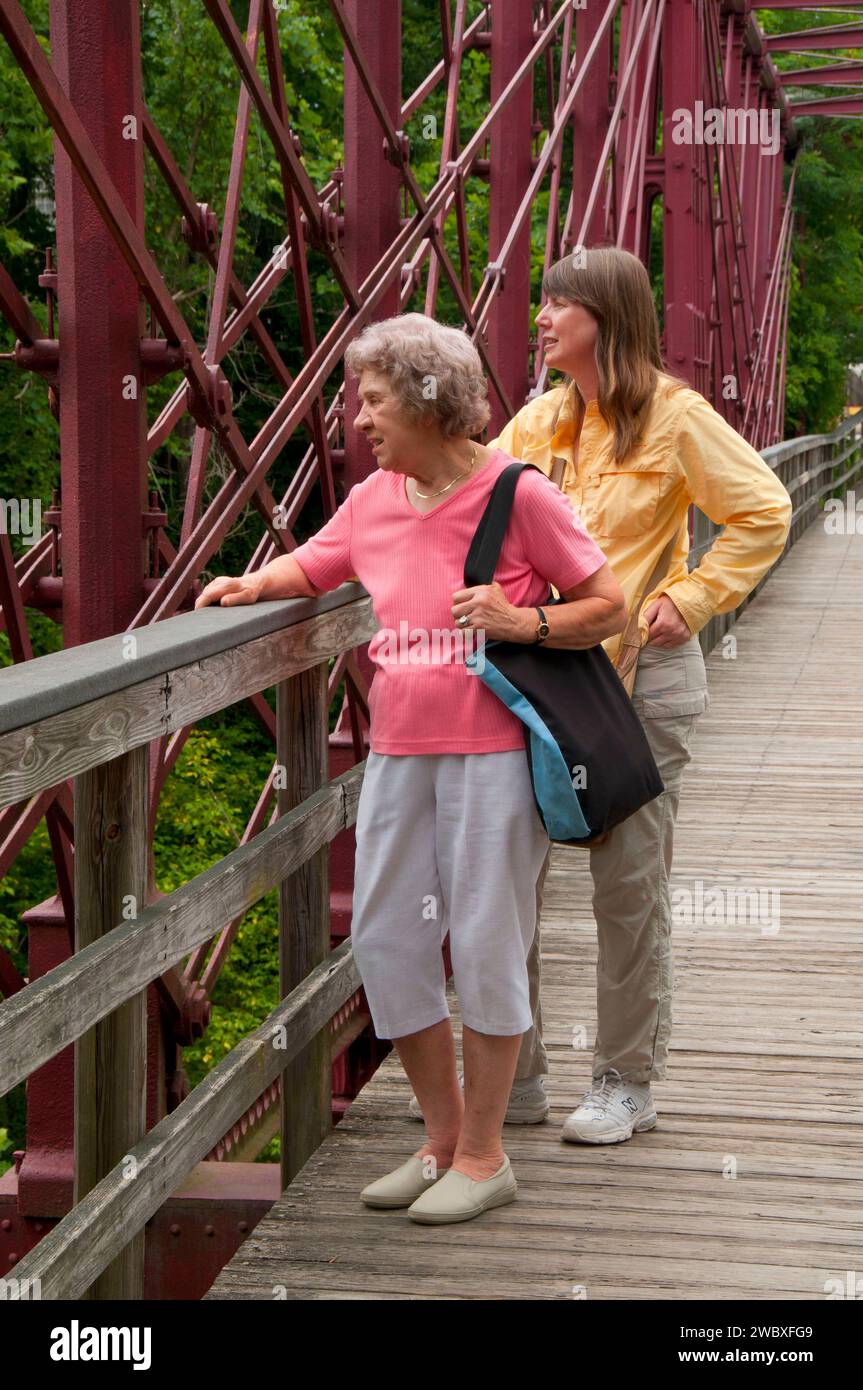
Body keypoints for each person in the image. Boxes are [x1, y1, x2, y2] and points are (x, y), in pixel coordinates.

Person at [196, 313, 626, 1224]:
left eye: (374, 400)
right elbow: (318, 564)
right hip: (398, 754)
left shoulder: (518, 494)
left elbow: (607, 603)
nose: (358, 419)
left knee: (483, 942)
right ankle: (437, 1144)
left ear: (429, 401)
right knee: (389, 941)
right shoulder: (376, 498)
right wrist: (251, 585)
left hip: (494, 757)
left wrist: (520, 622)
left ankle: (483, 1153)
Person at [481, 246, 793, 1142]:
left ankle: (625, 1083)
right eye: (540, 303)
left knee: (627, 889)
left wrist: (689, 597)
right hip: (539, 678)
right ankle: (522, 1074)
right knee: (509, 881)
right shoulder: (534, 424)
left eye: (557, 305)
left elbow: (762, 510)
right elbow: (463, 504)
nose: (539, 318)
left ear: (604, 319)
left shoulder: (676, 416)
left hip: (638, 680)